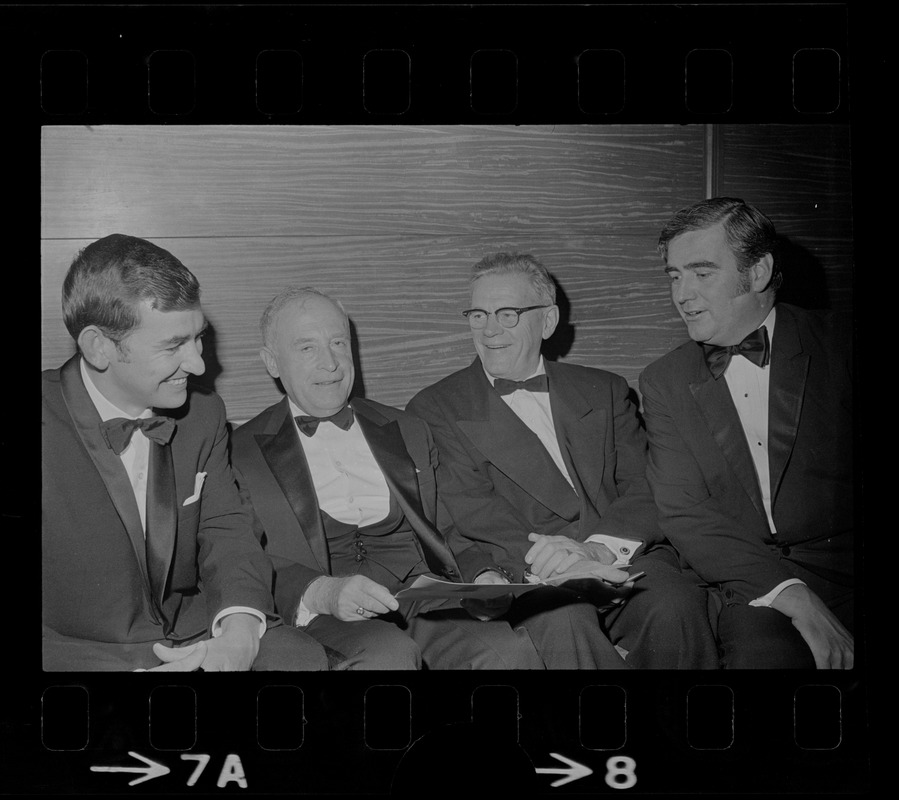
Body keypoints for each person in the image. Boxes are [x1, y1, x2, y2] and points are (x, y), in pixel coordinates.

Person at [231, 286, 625, 669]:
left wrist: (484, 574)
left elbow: (448, 527)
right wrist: (321, 592)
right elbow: (240, 558)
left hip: (422, 598)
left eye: (338, 343)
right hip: (326, 614)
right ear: (271, 362)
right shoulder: (240, 450)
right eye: (306, 348)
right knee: (387, 655)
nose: (330, 364)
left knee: (507, 654)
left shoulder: (405, 427)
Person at [407, 253, 718, 669]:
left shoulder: (605, 390)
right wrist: (558, 563)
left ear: (548, 321)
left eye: (508, 314)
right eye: (478, 314)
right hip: (529, 572)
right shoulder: (436, 408)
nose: (489, 329)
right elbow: (472, 515)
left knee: (676, 604)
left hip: (618, 555)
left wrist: (597, 550)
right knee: (564, 620)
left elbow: (647, 486)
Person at [42, 234, 329, 672]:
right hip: (78, 652)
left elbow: (227, 530)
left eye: (198, 338)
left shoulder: (204, 413)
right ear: (99, 347)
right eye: (173, 345)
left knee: (300, 659)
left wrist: (238, 633)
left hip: (193, 632)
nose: (198, 365)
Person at [639, 197, 855, 669]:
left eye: (701, 273)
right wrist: (795, 598)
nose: (682, 294)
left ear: (757, 274)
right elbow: (684, 512)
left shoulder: (841, 343)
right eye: (674, 276)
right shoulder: (664, 380)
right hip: (754, 584)